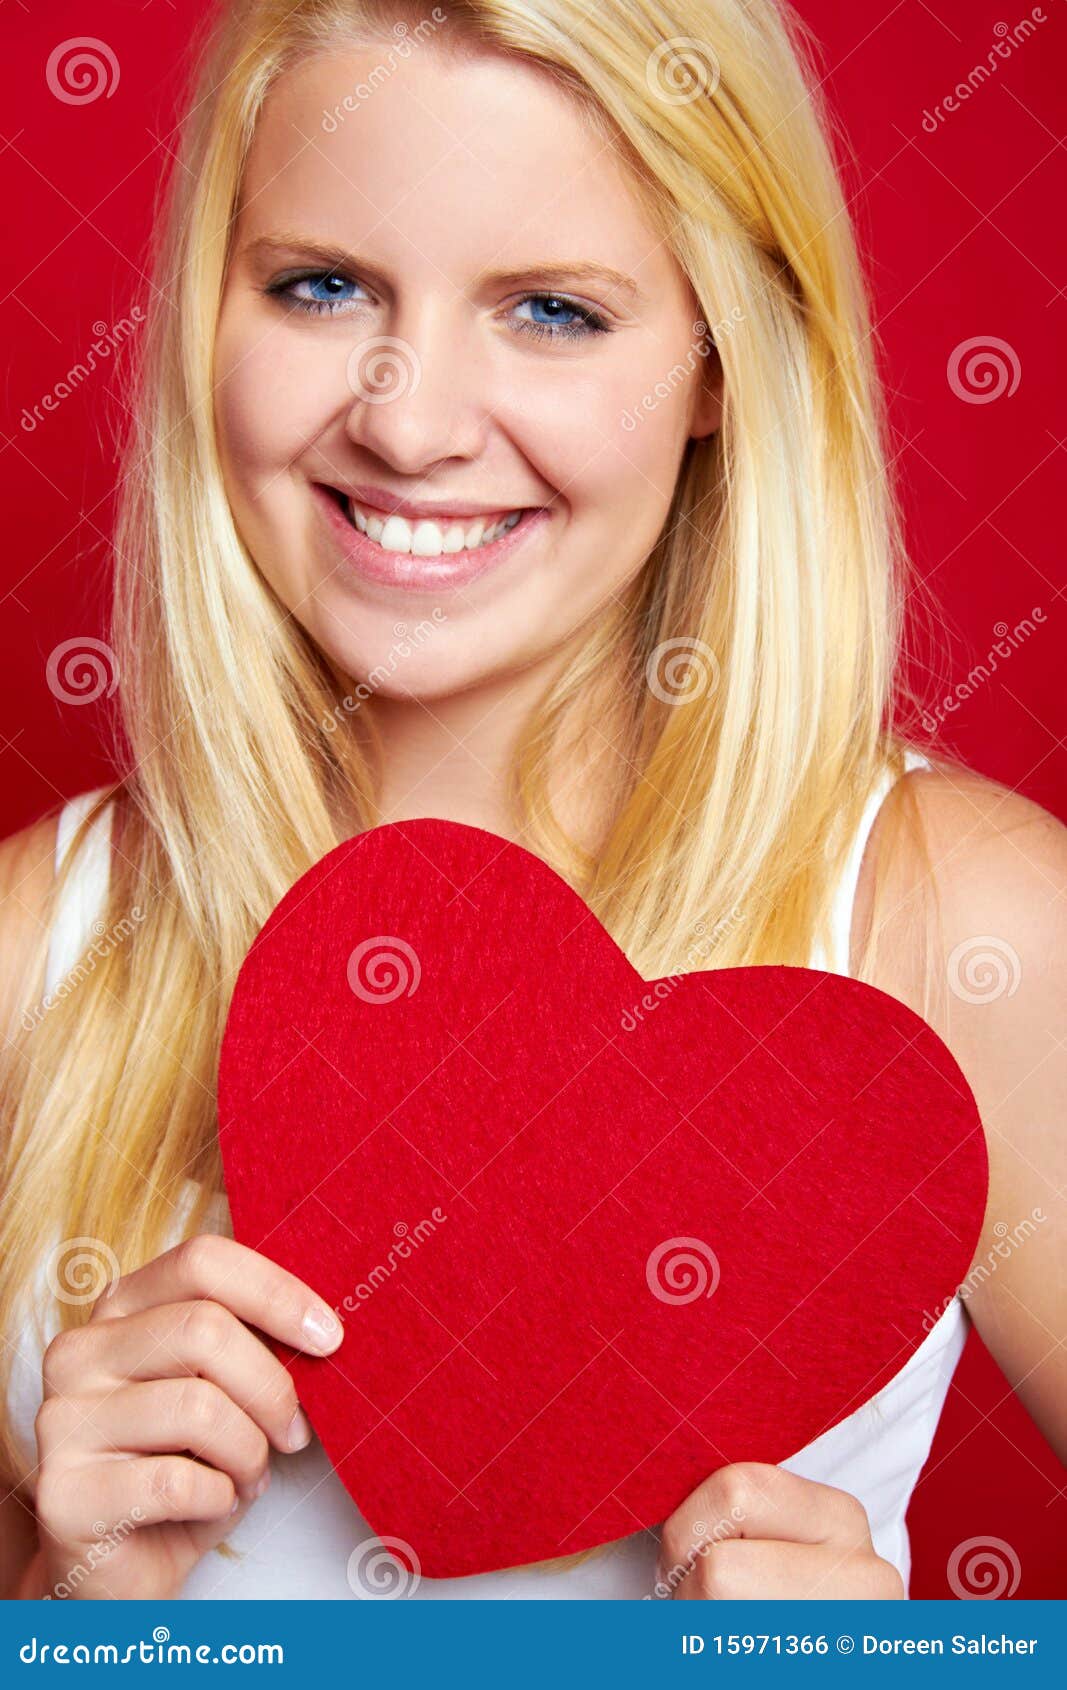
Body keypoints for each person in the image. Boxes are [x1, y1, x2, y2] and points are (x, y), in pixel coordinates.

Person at [1, 0, 1063, 1602]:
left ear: (722, 357)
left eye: (554, 311)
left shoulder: (959, 921)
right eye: (322, 284)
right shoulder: (32, 952)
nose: (410, 422)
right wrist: (59, 1613)